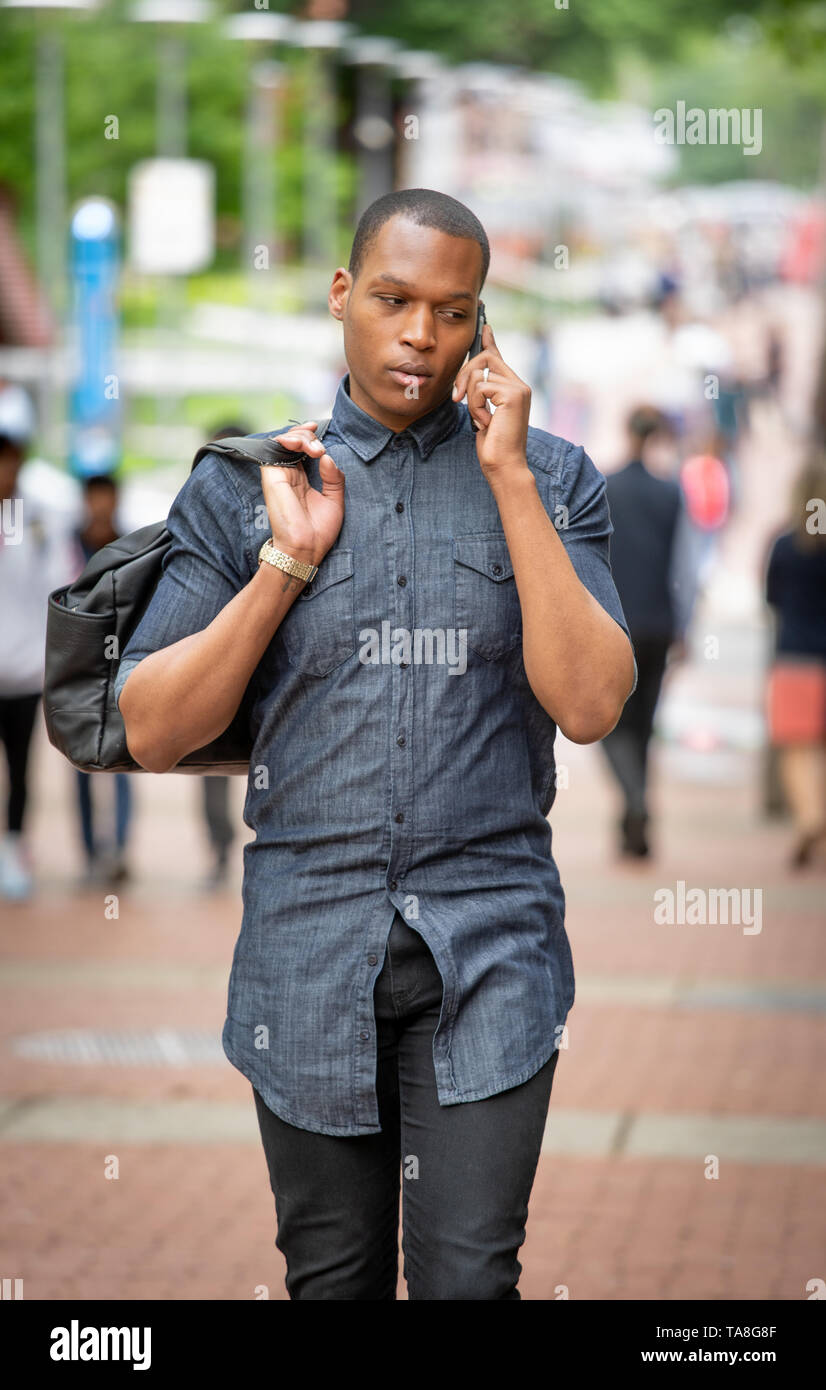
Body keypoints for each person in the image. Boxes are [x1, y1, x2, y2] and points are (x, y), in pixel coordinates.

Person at [115, 188, 637, 1301]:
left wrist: (505, 478)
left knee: (467, 1279)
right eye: (394, 300)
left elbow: (591, 704)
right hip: (306, 951)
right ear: (343, 293)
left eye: (453, 313)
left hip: (492, 945)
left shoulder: (551, 480)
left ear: (483, 327)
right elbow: (153, 728)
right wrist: (283, 566)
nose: (419, 336)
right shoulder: (245, 486)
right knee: (331, 1278)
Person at [600, 405, 699, 859]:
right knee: (643, 726)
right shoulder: (671, 492)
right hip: (659, 623)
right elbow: (685, 565)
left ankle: (636, 803)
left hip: (614, 623)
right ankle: (634, 823)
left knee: (611, 723)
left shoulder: (604, 487)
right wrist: (685, 623)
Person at [0, 383, 76, 900]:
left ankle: (14, 848)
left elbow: (49, 586)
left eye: (11, 462)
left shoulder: (35, 520)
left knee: (21, 770)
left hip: (24, 674)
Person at [195, 422, 255, 891]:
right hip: (223, 672)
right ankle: (219, 851)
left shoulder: (279, 508)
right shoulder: (205, 519)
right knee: (212, 768)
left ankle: (231, 851)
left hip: (256, 676)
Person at [70, 473, 133, 885]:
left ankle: (119, 850)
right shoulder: (65, 544)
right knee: (81, 764)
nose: (100, 505)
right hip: (80, 671)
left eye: (106, 497)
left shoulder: (131, 545)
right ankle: (91, 853)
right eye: (94, 498)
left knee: (125, 761)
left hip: (122, 670)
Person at [764, 456, 826, 868]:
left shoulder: (785, 545)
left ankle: (809, 816)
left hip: (793, 660)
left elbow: (770, 598)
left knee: (797, 750)